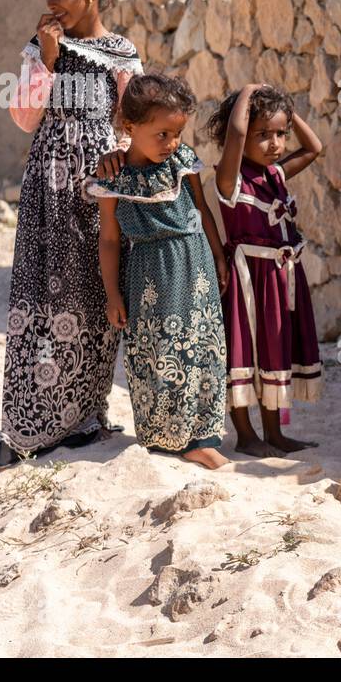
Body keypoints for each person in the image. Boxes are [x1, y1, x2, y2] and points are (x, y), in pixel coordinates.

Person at [0, 0, 142, 470]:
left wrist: (121, 162)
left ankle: (85, 417)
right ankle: (34, 420)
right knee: (42, 294)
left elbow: (130, 122)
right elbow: (24, 119)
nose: (52, 2)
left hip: (97, 190)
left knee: (92, 294)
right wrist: (48, 63)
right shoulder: (40, 49)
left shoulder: (121, 54)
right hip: (47, 191)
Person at [86, 74, 230, 469]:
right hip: (152, 276)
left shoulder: (183, 162)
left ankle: (201, 436)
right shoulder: (114, 177)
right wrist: (113, 294)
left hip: (196, 265)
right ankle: (168, 438)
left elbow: (202, 210)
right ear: (130, 128)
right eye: (163, 134)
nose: (172, 143)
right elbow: (111, 240)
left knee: (201, 350)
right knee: (158, 351)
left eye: (178, 133)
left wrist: (219, 257)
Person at [207, 83, 323, 456]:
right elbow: (237, 133)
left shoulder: (276, 174)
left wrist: (286, 107)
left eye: (279, 134)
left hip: (280, 278)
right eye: (263, 135)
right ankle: (246, 435)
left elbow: (314, 148)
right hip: (247, 282)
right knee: (243, 354)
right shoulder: (231, 178)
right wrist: (250, 91)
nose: (274, 143)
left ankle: (274, 433)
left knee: (275, 352)